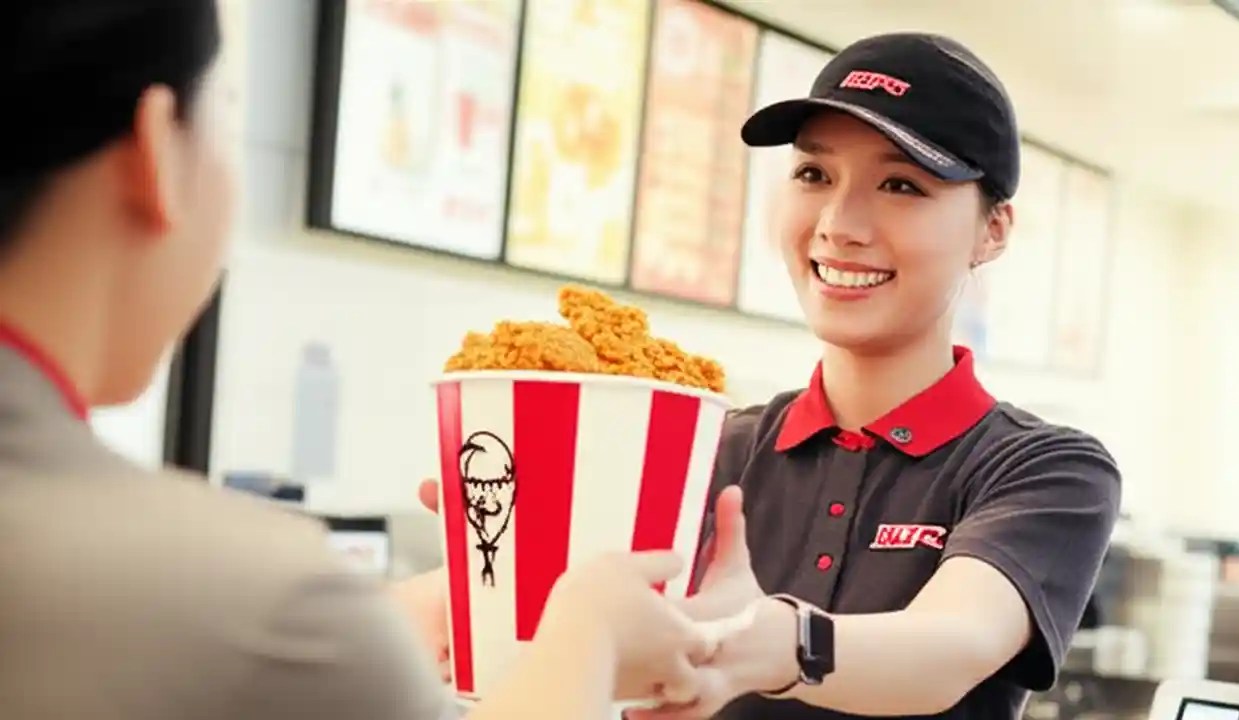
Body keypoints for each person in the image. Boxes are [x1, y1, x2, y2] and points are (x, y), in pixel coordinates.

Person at [0, 2, 711, 718]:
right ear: (156, 150)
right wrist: (585, 642)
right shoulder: (266, 605)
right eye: (229, 109)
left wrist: (373, 630)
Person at [409, 31, 1123, 720]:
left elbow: (952, 645)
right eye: (815, 174)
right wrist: (497, 575)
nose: (841, 223)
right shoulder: (704, 448)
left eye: (902, 184)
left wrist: (766, 643)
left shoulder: (1045, 471)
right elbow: (511, 623)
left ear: (993, 230)